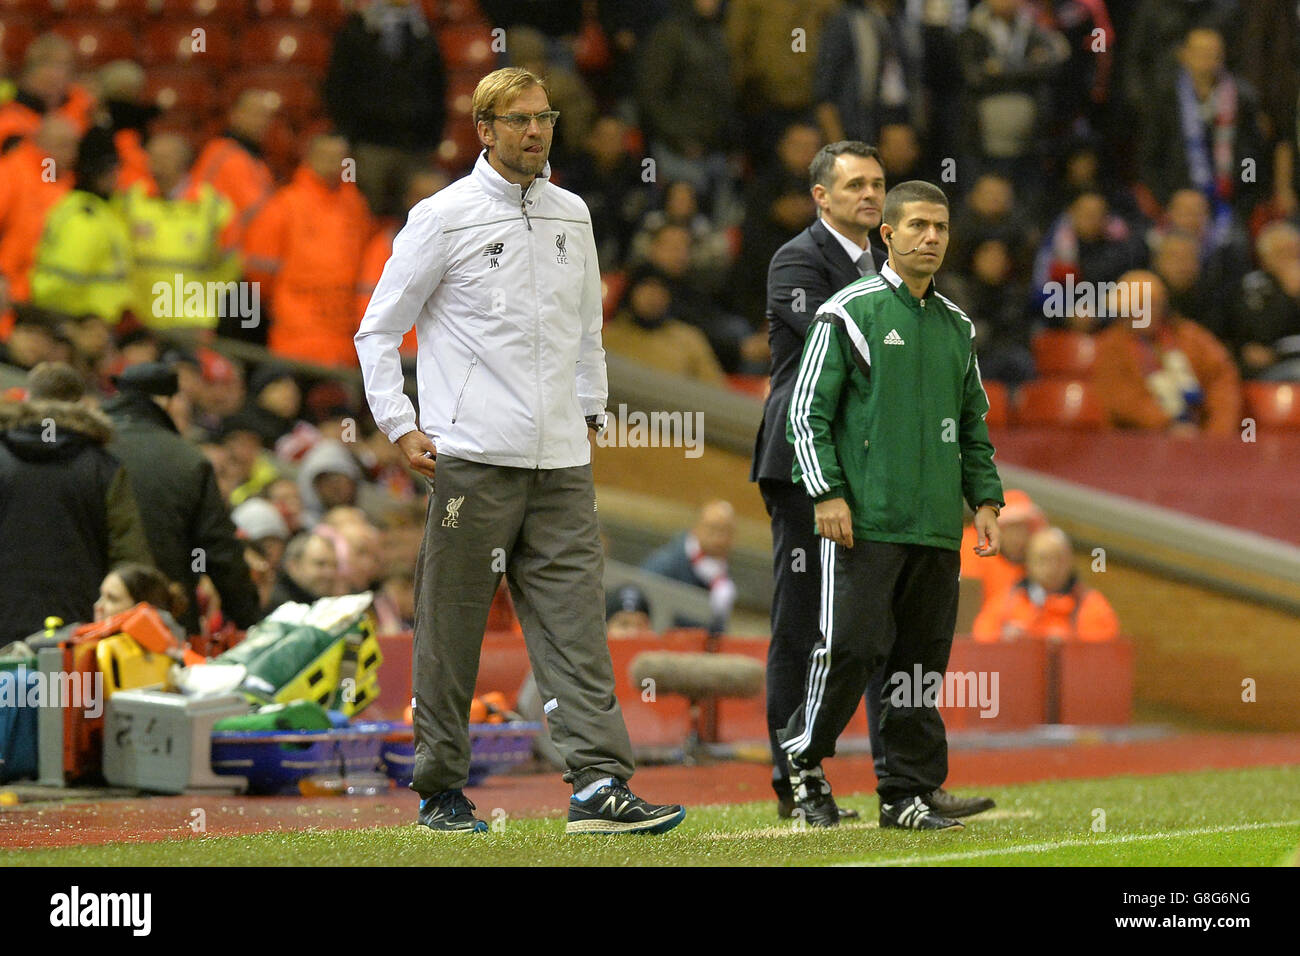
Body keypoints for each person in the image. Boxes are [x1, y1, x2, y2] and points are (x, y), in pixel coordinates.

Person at [354, 67, 684, 835]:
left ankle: (599, 786)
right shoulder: (442, 217)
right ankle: (440, 792)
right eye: (519, 119)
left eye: (545, 118)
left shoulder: (573, 213)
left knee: (576, 626)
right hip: (471, 457)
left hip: (563, 460)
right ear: (485, 129)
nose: (536, 131)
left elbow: (588, 330)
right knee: (451, 628)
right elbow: (376, 329)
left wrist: (592, 410)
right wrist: (400, 425)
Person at [781, 180, 1005, 830]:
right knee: (847, 650)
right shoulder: (849, 312)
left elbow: (973, 426)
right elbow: (806, 413)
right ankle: (804, 764)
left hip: (936, 528)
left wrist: (984, 502)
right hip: (865, 523)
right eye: (917, 227)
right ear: (888, 235)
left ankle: (906, 792)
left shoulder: (957, 326)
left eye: (940, 227)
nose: (931, 238)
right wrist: (825, 492)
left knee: (920, 665)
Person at [752, 141, 888, 820]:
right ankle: (793, 783)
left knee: (866, 625)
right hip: (804, 456)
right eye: (855, 184)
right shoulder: (797, 260)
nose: (869, 195)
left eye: (877, 184)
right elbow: (838, 350)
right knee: (802, 622)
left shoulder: (888, 262)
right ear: (821, 196)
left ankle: (902, 779)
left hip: (866, 461)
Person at [102, 361, 262, 636]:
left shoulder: (86, 446)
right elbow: (220, 552)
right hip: (159, 624)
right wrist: (249, 619)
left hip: (86, 616)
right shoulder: (188, 461)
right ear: (167, 402)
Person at [0, 364, 153, 643]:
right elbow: (129, 559)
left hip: (4, 624)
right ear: (81, 404)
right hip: (78, 631)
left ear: (26, 397)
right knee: (65, 689)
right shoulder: (104, 468)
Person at [242, 133, 374, 366]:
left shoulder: (356, 207)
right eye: (326, 156)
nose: (333, 163)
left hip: (343, 338)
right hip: (293, 335)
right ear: (309, 157)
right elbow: (258, 272)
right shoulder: (285, 204)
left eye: (339, 158)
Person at [1092, 270, 1241, 434]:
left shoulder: (1190, 336)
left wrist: (1216, 433)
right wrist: (1168, 425)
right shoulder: (1110, 346)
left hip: (1202, 438)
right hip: (1138, 442)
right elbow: (1122, 399)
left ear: (1161, 306)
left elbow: (1222, 381)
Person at [973, 527, 1120, 643]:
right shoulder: (1007, 602)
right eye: (1042, 560)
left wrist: (1068, 645)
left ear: (1070, 561)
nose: (1052, 567)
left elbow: (1102, 653)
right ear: (1029, 563)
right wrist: (1003, 640)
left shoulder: (1092, 606)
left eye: (1058, 559)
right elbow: (982, 641)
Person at [640, 499, 737, 632]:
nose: (719, 539)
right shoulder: (666, 563)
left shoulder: (720, 572)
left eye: (726, 532)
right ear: (697, 527)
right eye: (713, 529)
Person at [94, 562, 188, 629]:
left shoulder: (169, 654)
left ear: (143, 609)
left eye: (112, 599)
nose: (98, 606)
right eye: (101, 596)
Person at [267, 532, 339, 611]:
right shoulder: (276, 606)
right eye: (320, 564)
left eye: (334, 565)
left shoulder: (319, 600)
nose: (330, 573)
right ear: (293, 566)